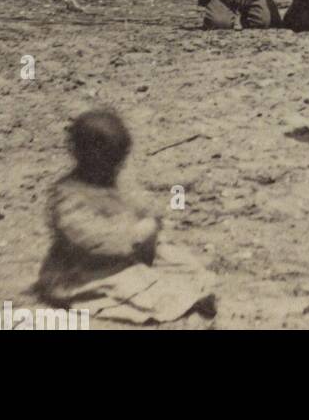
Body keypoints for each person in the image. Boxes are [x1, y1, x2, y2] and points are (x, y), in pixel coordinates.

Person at [36, 110, 216, 326]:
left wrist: (148, 216)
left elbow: (133, 205)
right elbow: (95, 239)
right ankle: (180, 302)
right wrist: (138, 232)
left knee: (177, 261)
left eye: (118, 163)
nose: (115, 170)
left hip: (126, 255)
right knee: (131, 284)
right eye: (110, 163)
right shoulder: (67, 196)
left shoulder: (107, 181)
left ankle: (187, 291)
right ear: (84, 156)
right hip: (85, 269)